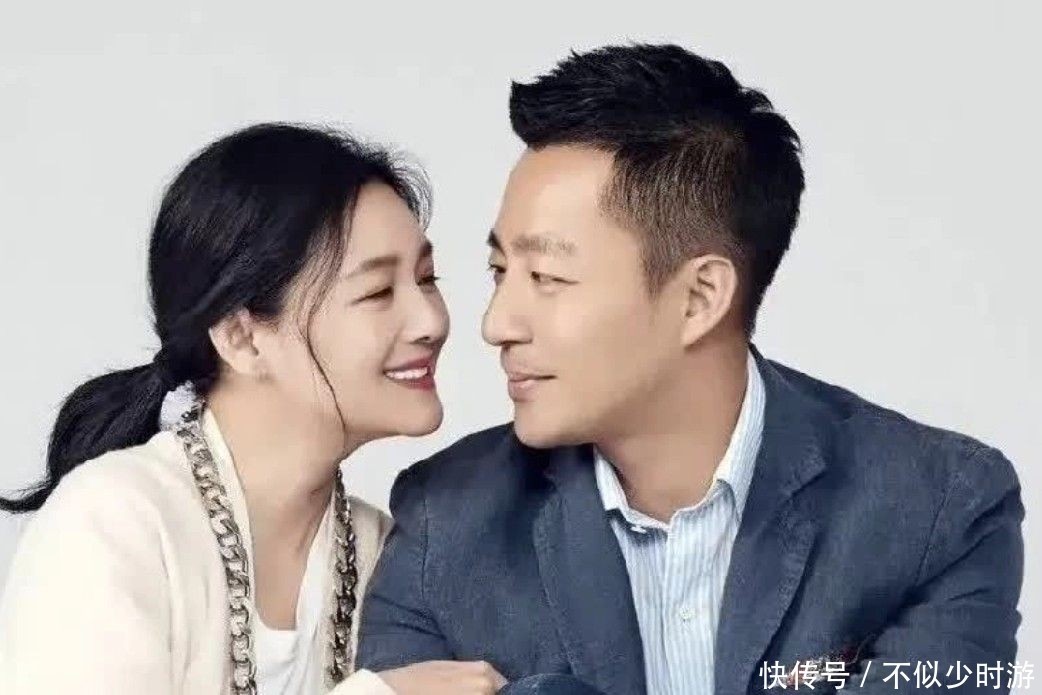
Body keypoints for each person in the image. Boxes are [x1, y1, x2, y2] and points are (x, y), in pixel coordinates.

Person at [357, 44, 1025, 694]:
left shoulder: (942, 510)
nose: (496, 323)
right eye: (500, 271)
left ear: (700, 298)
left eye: (548, 277)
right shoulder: (445, 527)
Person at [0, 123, 509, 695]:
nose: (432, 321)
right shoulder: (115, 523)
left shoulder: (387, 551)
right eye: (377, 293)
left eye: (426, 279)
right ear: (242, 337)